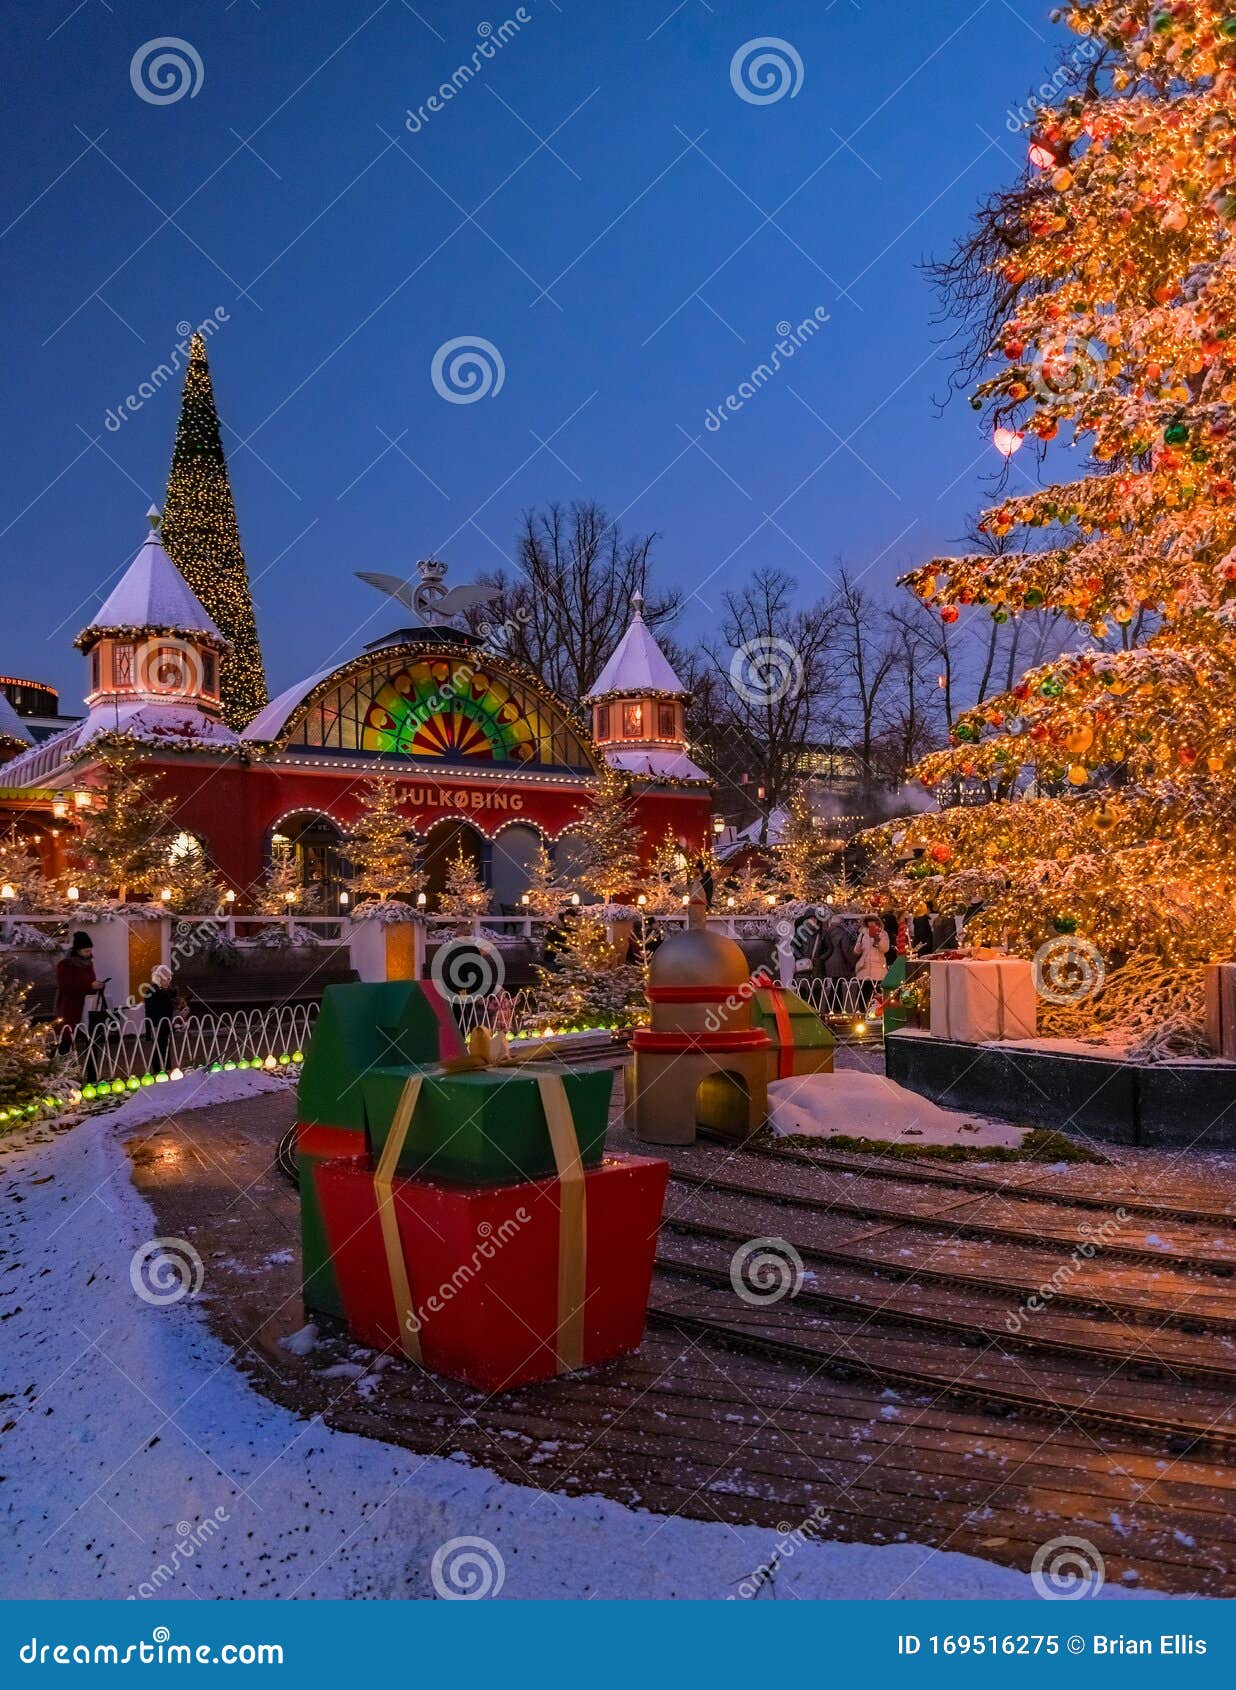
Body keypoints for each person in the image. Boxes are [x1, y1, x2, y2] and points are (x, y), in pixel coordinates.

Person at [54, 932, 104, 1047]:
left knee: (88, 1035)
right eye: (86, 951)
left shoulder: (88, 964)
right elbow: (66, 986)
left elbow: (90, 981)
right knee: (67, 1037)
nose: (89, 953)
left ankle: (87, 1062)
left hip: (86, 1004)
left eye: (90, 950)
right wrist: (89, 986)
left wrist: (98, 986)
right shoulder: (65, 965)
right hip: (70, 1006)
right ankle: (62, 1060)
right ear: (77, 950)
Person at [144, 963, 181, 1073]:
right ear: (159, 978)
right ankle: (157, 1071)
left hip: (165, 1023)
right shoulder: (152, 990)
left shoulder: (165, 991)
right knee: (157, 1049)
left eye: (170, 979)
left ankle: (167, 1068)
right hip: (156, 1024)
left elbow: (171, 997)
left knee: (166, 1047)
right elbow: (151, 1009)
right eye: (166, 979)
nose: (168, 982)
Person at [815, 917, 856, 1013]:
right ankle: (835, 1007)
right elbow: (846, 950)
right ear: (841, 923)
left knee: (835, 985)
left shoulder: (826, 932)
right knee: (837, 986)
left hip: (827, 962)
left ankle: (831, 1006)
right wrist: (851, 963)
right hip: (839, 963)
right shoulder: (843, 933)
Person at [854, 914, 890, 1009]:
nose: (871, 923)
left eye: (872, 920)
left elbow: (885, 949)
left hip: (878, 970)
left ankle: (876, 1014)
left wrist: (877, 941)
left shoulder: (883, 933)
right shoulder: (863, 933)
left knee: (877, 996)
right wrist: (858, 946)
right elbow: (856, 951)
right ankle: (863, 1013)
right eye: (869, 921)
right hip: (864, 969)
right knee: (862, 995)